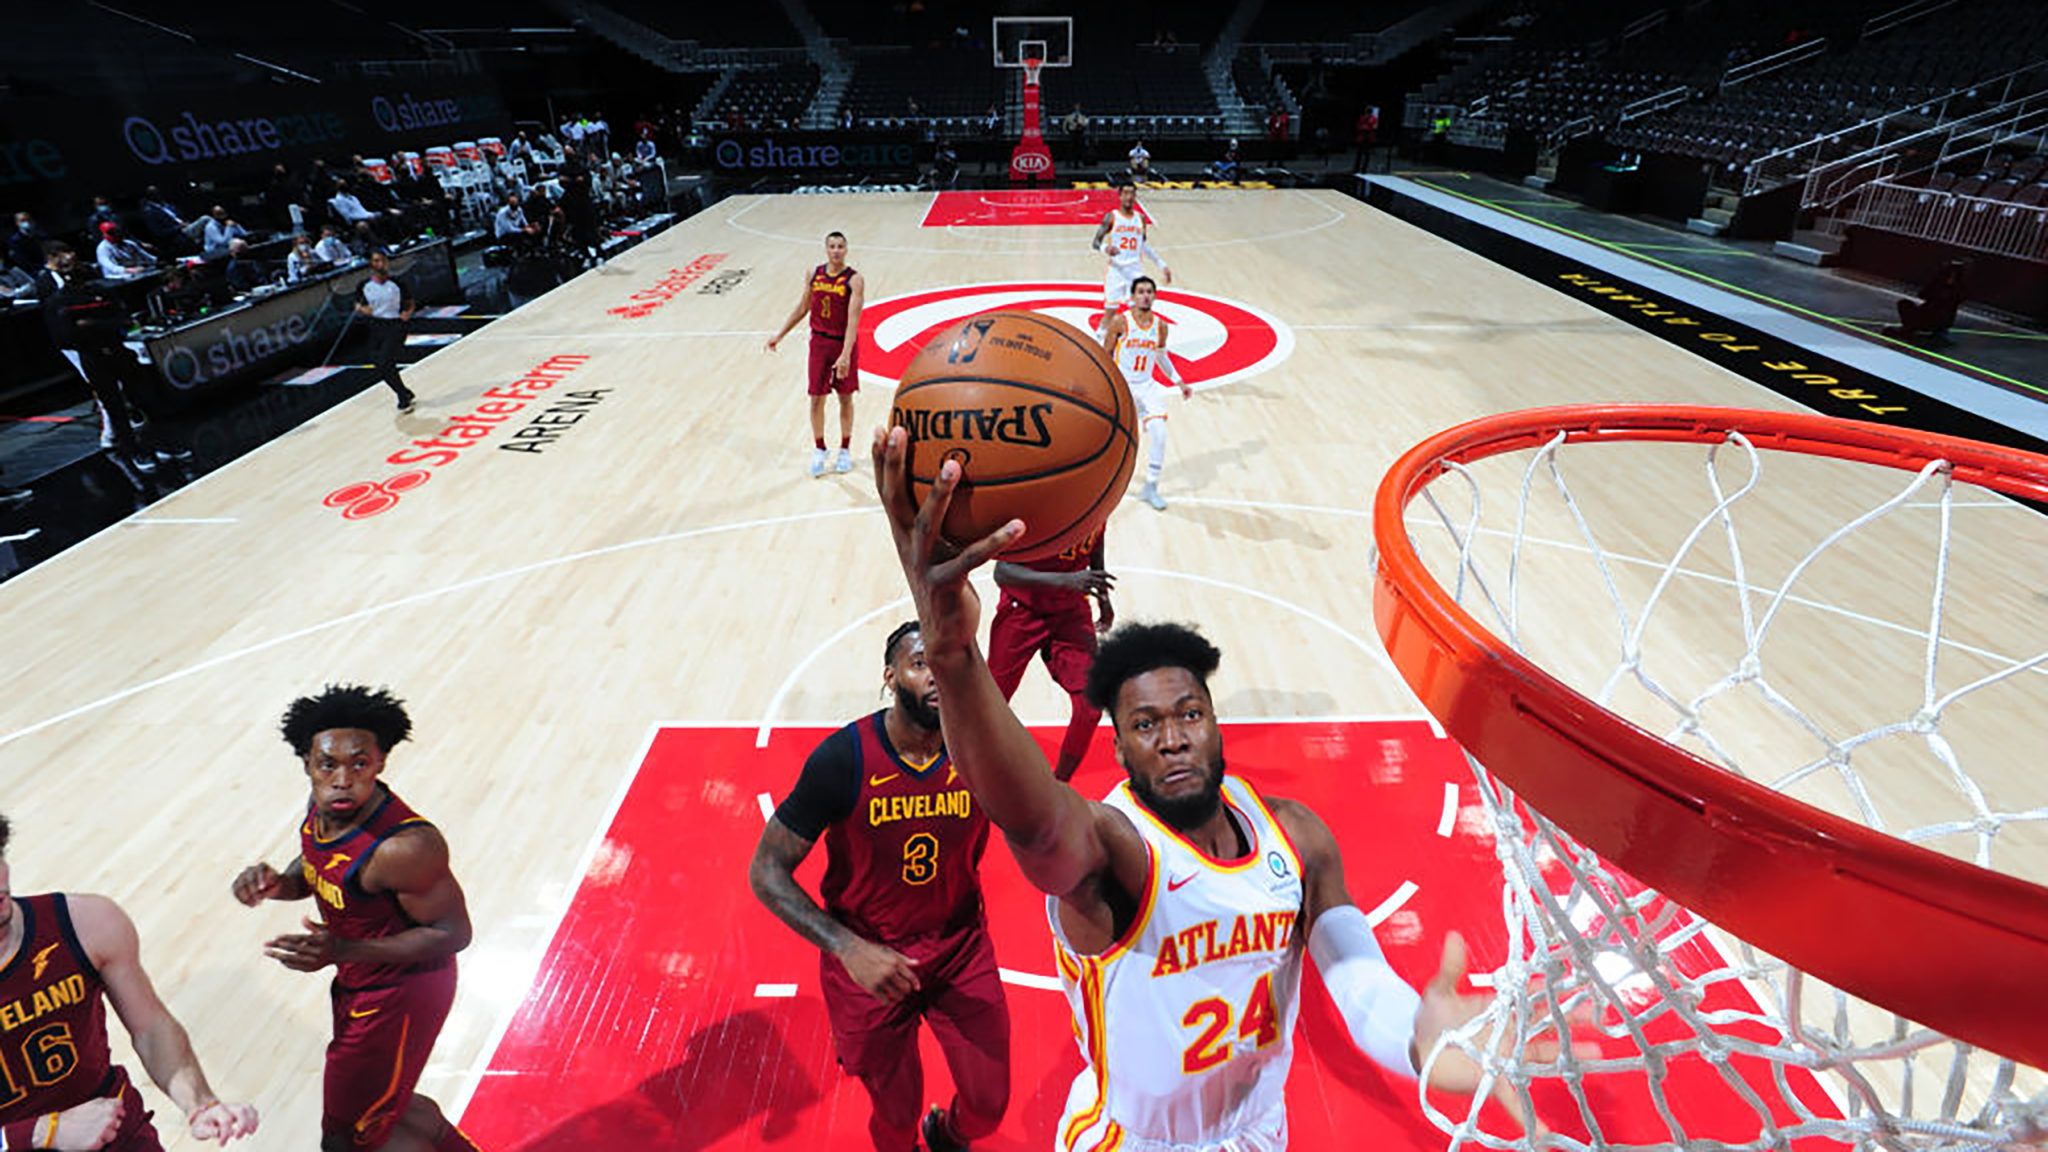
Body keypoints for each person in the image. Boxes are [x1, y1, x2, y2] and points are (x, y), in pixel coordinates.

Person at [867, 439, 1572, 1151]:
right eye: (1145, 725)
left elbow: (1359, 984)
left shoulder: (1295, 837)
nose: (1172, 738)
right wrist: (955, 658)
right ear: (1120, 748)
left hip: (1256, 1136)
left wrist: (1420, 1039)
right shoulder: (1114, 851)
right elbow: (1035, 823)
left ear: (1212, 722)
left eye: (1188, 714)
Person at [749, 622, 1011, 1152]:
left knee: (988, 1105)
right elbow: (766, 870)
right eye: (921, 664)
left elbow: (1040, 823)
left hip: (959, 947)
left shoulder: (983, 744)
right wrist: (847, 947)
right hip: (869, 958)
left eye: (945, 663)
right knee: (894, 1117)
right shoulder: (842, 759)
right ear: (891, 678)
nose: (936, 676)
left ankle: (947, 1136)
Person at [231, 685, 481, 1152]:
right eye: (328, 764)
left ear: (381, 761)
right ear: (307, 762)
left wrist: (343, 949)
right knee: (391, 1106)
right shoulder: (323, 807)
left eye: (359, 763)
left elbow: (454, 934)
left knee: (347, 1139)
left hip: (403, 992)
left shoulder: (405, 848)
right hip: (360, 976)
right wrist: (277, 885)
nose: (343, 778)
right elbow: (315, 867)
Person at [0, 812, 260, 1150]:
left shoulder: (86, 923)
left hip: (116, 1133)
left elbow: (150, 1027)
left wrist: (199, 1103)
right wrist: (43, 1131)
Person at [39, 243, 187, 474]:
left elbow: (124, 320)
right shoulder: (57, 303)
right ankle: (135, 452)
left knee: (145, 400)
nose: (76, 278)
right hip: (94, 358)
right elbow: (65, 336)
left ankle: (164, 445)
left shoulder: (102, 291)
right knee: (115, 409)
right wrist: (96, 327)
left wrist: (90, 324)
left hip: (119, 351)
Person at [989, 528, 1113, 781]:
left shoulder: (1097, 498)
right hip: (1022, 610)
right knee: (992, 701)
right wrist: (1066, 580)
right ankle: (975, 766)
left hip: (1070, 611)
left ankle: (1061, 783)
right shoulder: (1043, 501)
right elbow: (1002, 572)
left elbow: (1095, 548)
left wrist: (1103, 598)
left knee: (1090, 706)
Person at [766, 231, 864, 477]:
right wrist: (780, 334)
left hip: (843, 344)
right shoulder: (814, 274)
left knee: (845, 398)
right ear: (826, 249)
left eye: (841, 246)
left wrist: (845, 355)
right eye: (832, 246)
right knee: (816, 399)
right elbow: (802, 308)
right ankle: (820, 448)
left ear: (846, 249)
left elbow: (853, 321)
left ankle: (845, 449)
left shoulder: (854, 280)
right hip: (819, 343)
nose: (836, 250)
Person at [1102, 276, 1191, 510]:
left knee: (1160, 434)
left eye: (1149, 291)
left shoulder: (1160, 326)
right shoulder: (1121, 322)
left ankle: (1150, 487)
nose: (1145, 295)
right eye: (1140, 291)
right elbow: (1105, 355)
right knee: (1114, 439)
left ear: (1154, 296)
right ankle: (1103, 482)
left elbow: (1161, 357)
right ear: (1132, 296)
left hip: (1147, 385)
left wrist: (1179, 382)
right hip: (1123, 385)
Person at [1090, 182, 1171, 336]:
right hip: (1116, 271)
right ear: (1119, 196)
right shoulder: (1111, 217)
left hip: (1135, 272)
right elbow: (1095, 243)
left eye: (1132, 193)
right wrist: (1105, 248)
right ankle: (1099, 341)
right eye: (1125, 193)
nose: (1129, 197)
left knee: (1139, 311)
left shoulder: (1140, 219)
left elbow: (1143, 245)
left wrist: (1161, 264)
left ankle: (1135, 342)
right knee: (1110, 312)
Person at [354, 250, 416, 412]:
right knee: (380, 365)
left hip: (395, 325)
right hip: (376, 326)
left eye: (383, 260)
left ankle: (403, 397)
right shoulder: (363, 286)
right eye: (376, 261)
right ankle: (404, 391)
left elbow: (410, 302)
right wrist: (362, 309)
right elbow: (358, 304)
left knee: (385, 361)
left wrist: (407, 314)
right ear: (371, 264)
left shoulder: (397, 283)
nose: (380, 264)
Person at [1888, 260, 1968, 341]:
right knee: (1904, 304)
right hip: (1929, 314)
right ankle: (1912, 327)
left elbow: (1925, 295)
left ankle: (1915, 328)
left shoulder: (1956, 289)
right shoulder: (1941, 285)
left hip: (1936, 317)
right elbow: (1923, 294)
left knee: (1931, 312)